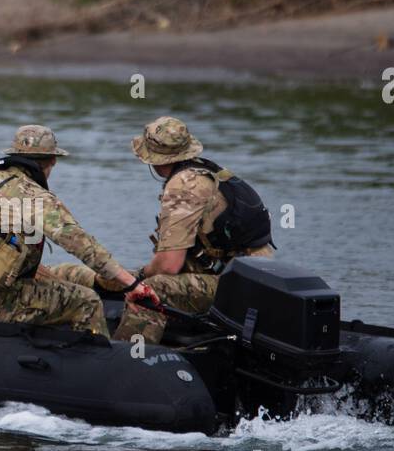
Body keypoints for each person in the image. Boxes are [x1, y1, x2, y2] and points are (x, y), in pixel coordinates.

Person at [0, 125, 158, 336]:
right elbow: (82, 245)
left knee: (55, 278)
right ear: (52, 161)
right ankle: (98, 374)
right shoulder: (35, 196)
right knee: (87, 300)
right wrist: (131, 284)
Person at [106, 116, 274, 344]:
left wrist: (139, 278)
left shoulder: (183, 186)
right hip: (252, 279)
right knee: (132, 279)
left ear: (154, 159)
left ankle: (131, 356)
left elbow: (168, 264)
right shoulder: (208, 171)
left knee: (150, 289)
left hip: (233, 287)